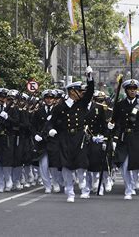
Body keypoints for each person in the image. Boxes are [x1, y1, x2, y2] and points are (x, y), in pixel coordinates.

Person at [48, 66, 94, 203]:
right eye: (79, 91)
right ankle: (70, 191)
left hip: (79, 136)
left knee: (81, 163)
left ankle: (83, 185)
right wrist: (51, 129)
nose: (82, 93)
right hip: (65, 138)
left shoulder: (82, 104)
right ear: (71, 92)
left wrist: (89, 77)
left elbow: (90, 92)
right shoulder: (60, 107)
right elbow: (51, 122)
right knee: (67, 165)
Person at [112, 79, 139, 200]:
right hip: (124, 138)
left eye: (134, 89)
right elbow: (115, 121)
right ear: (126, 90)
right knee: (124, 165)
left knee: (135, 164)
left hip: (137, 137)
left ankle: (135, 180)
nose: (133, 91)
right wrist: (113, 131)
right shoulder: (120, 105)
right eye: (130, 89)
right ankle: (128, 188)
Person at [33, 89, 62, 194]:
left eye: (51, 98)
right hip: (42, 142)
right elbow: (33, 126)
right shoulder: (39, 111)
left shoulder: (58, 111)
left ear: (54, 100)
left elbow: (62, 124)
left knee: (54, 165)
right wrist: (35, 135)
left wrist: (55, 129)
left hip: (54, 141)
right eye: (47, 98)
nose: (49, 100)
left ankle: (55, 182)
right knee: (43, 165)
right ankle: (47, 185)